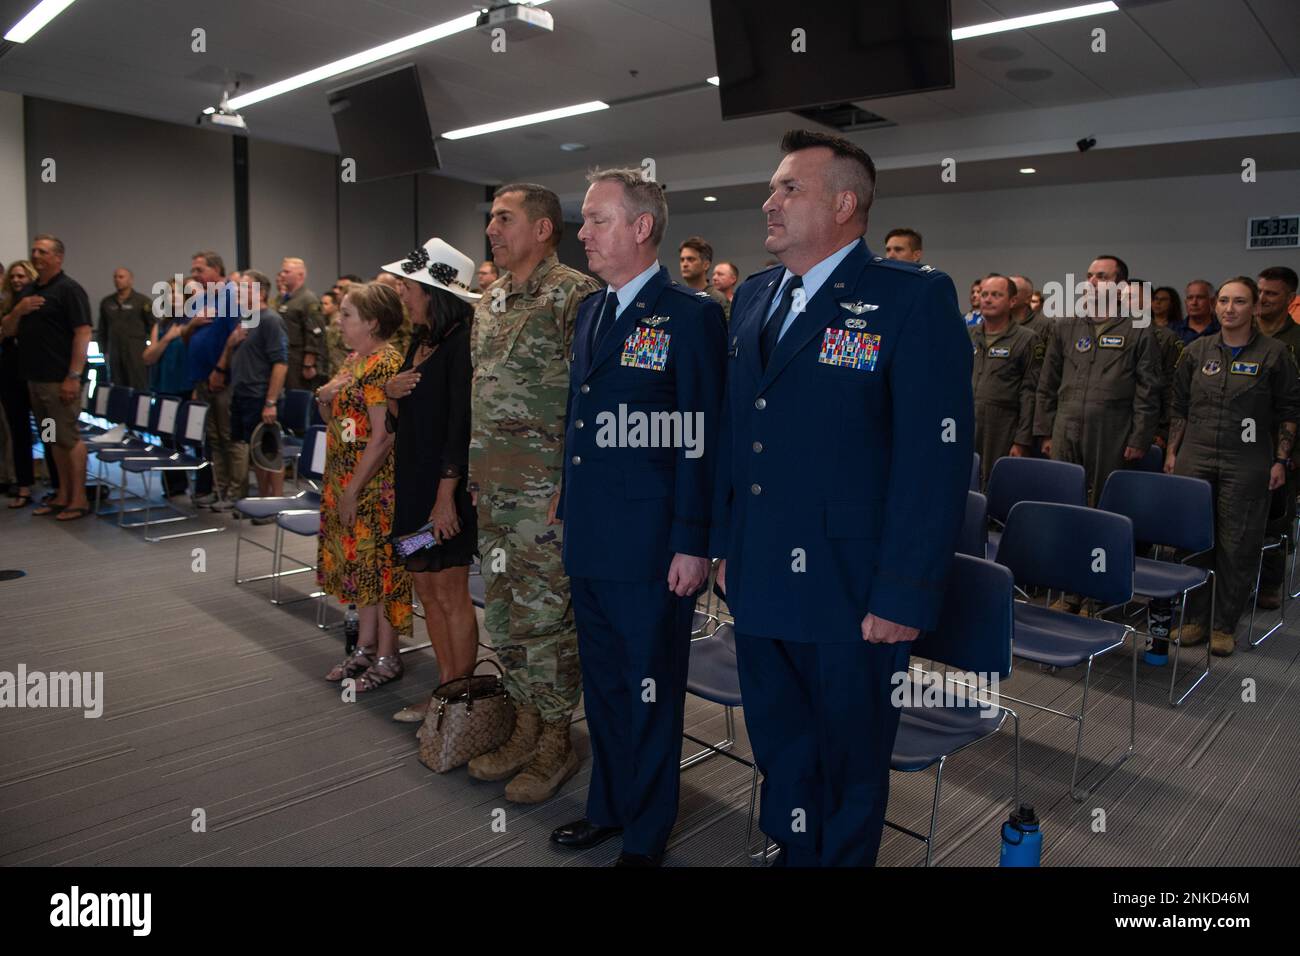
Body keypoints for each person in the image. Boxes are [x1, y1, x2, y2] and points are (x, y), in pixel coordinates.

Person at [713, 129, 973, 867]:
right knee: (782, 742)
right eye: (773, 188)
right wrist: (728, 545)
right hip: (761, 572)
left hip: (853, 586)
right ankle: (795, 850)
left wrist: (903, 593)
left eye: (789, 188)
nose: (769, 201)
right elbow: (741, 435)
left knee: (851, 757)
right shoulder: (756, 296)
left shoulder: (910, 298)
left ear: (846, 204)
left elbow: (935, 460)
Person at [549, 168, 725, 866]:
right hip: (592, 535)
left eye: (596, 220)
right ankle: (609, 807)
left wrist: (694, 541)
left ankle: (648, 833)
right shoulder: (593, 310)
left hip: (654, 546)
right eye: (584, 221)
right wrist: (568, 488)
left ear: (642, 227)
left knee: (650, 691)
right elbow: (580, 411)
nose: (583, 233)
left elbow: (703, 436)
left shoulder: (692, 314)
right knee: (607, 686)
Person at [467, 182, 602, 804]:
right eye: (491, 217)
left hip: (543, 497)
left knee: (547, 621)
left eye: (504, 217)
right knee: (502, 612)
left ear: (544, 228)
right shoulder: (490, 300)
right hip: (493, 494)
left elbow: (591, 400)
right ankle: (523, 725)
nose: (492, 228)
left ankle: (555, 739)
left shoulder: (574, 295)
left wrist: (573, 485)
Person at [1165, 277, 1300, 656]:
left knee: (1237, 545)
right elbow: (1179, 406)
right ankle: (1193, 619)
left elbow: (1290, 411)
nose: (1229, 308)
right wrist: (1173, 451)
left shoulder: (1275, 354)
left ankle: (1224, 625)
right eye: (1223, 300)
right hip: (1197, 455)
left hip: (1248, 458)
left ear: (1254, 308)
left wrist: (1280, 459)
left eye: (1239, 301)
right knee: (1193, 541)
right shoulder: (1196, 351)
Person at [379, 239, 480, 723]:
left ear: (434, 293)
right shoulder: (417, 342)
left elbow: (460, 427)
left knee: (450, 592)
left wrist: (446, 501)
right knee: (424, 587)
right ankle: (444, 689)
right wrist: (390, 393)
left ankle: (460, 697)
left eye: (409, 286)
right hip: (412, 487)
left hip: (445, 491)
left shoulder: (463, 344)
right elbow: (402, 422)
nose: (402, 293)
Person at [318, 282, 413, 690]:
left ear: (372, 322)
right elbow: (335, 420)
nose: (338, 321)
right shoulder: (355, 360)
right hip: (345, 478)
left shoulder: (383, 365)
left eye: (347, 314)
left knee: (383, 570)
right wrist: (323, 394)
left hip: (374, 487)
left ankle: (389, 656)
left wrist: (353, 490)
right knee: (363, 571)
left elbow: (383, 436)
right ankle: (366, 647)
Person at [1034, 255, 1161, 509]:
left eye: (1102, 277)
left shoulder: (1139, 328)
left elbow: (1148, 388)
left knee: (1104, 499)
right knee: (1062, 494)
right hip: (1065, 424)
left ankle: (1099, 548)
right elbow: (1048, 381)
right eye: (1089, 276)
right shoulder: (1065, 326)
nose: (1092, 282)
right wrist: (1045, 430)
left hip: (1113, 427)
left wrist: (1139, 437)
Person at [1, 236, 93, 521]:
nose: (36, 255)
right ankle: (62, 494)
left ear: (58, 257)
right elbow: (7, 330)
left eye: (43, 251)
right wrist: (19, 309)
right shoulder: (29, 291)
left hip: (59, 380)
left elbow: (83, 333)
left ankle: (79, 499)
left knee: (68, 439)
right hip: (35, 380)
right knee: (51, 439)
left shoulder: (69, 290)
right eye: (34, 251)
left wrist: (73, 376)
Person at [1255, 266, 1300, 610]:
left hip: (1284, 446)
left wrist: (1291, 452)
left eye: (1271, 293)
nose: (1262, 298)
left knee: (1274, 518)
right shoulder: (1242, 333)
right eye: (1260, 291)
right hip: (1238, 442)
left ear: (1290, 299)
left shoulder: (1296, 340)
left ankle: (1270, 581)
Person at [221, 271, 288, 500]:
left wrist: (270, 401)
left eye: (244, 287)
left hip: (261, 395)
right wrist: (230, 344)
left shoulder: (270, 319)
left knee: (269, 452)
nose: (238, 291)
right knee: (255, 452)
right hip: (243, 394)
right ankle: (262, 498)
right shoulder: (247, 319)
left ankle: (275, 502)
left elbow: (280, 364)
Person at [971, 274, 1042, 488]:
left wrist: (1022, 440)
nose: (987, 299)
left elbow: (1031, 392)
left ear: (1012, 301)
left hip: (1004, 425)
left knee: (995, 484)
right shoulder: (968, 335)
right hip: (966, 421)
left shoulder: (1027, 339)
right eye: (984, 294)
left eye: (996, 295)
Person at [182, 251, 240, 509]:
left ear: (216, 269)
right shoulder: (201, 299)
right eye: (193, 270)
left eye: (199, 270)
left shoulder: (233, 296)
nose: (195, 275)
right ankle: (220, 487)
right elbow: (185, 336)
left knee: (228, 436)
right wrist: (192, 325)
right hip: (200, 378)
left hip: (222, 378)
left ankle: (234, 492)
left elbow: (236, 339)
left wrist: (220, 370)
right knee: (213, 437)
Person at [141, 278, 195, 498]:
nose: (172, 297)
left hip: (186, 387)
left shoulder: (192, 322)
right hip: (164, 388)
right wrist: (166, 340)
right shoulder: (161, 325)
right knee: (167, 438)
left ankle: (202, 484)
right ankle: (175, 483)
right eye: (169, 293)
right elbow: (148, 357)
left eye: (176, 293)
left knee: (192, 437)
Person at [0, 260, 37, 508]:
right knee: (19, 431)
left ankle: (57, 484)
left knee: (49, 432)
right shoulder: (6, 307)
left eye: (21, 276)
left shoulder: (40, 302)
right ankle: (24, 485)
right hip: (11, 379)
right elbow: (6, 332)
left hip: (39, 380)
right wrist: (17, 310)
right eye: (13, 276)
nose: (16, 280)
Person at [98, 267, 153, 390]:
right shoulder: (107, 302)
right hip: (114, 352)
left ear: (130, 280)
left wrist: (150, 349)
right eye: (115, 277)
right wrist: (103, 351)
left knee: (138, 385)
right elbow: (102, 329)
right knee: (116, 386)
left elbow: (154, 325)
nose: (117, 280)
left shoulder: (142, 301)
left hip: (136, 351)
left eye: (121, 277)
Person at [274, 258, 324, 391]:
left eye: (287, 272)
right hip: (284, 356)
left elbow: (314, 332)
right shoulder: (282, 299)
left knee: (296, 397)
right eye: (282, 271)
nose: (282, 275)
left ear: (300, 275)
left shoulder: (308, 299)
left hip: (298, 359)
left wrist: (309, 363)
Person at [678, 236, 730, 320]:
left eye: (690, 259)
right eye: (682, 260)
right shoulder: (678, 297)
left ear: (706, 265)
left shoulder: (717, 299)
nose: (684, 264)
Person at [1173, 279, 1220, 344]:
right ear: (1186, 302)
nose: (1194, 303)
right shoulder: (1173, 330)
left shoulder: (1223, 329)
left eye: (1200, 297)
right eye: (1190, 298)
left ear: (1212, 301)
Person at [1010, 273, 1051, 342]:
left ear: (1028, 299)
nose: (1007, 294)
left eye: (1013, 290)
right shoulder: (994, 322)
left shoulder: (1045, 325)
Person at [320, 290, 348, 378]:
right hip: (334, 367)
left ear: (336, 306)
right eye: (321, 303)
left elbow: (333, 347)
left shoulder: (338, 323)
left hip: (340, 367)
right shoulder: (327, 321)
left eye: (326, 304)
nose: (322, 306)